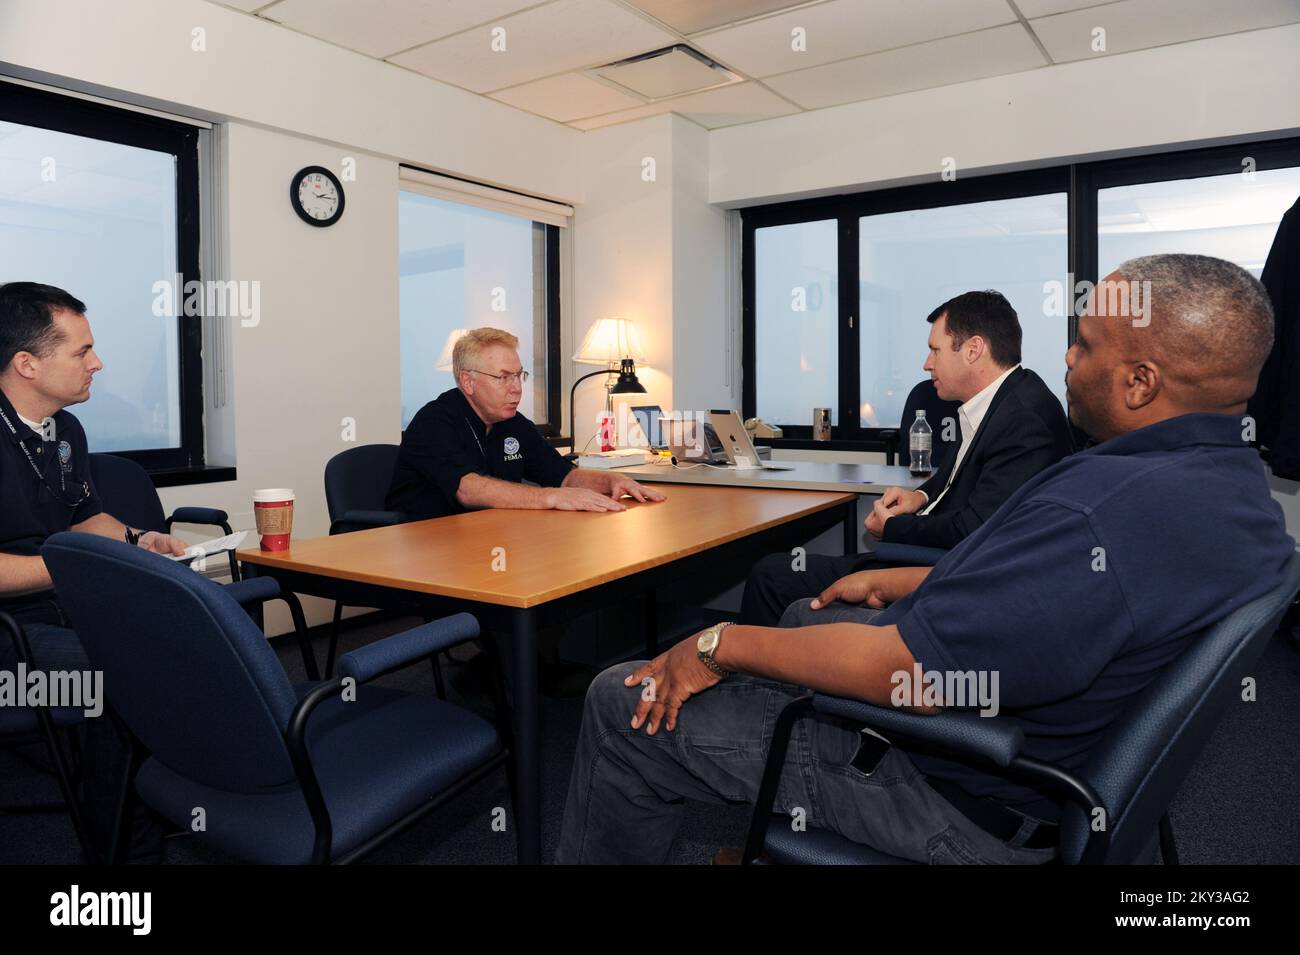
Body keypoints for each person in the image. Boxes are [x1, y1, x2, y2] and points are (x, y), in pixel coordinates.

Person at [555, 254, 1293, 864]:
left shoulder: (1100, 509)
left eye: (1087, 344)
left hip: (951, 786)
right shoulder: (1235, 491)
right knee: (803, 605)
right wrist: (912, 575)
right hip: (1032, 760)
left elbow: (912, 676)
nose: (1068, 356)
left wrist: (716, 644)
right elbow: (1057, 591)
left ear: (1140, 381)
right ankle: (764, 828)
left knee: (623, 698)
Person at [741, 290, 1074, 627]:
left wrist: (893, 527)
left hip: (945, 569)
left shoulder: (1023, 419)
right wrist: (920, 496)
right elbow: (955, 478)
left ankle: (754, 676)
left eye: (935, 350)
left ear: (973, 350)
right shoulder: (1003, 400)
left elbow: (973, 530)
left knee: (771, 575)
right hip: (940, 559)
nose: (926, 363)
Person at [0, 282, 190, 862]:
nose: (98, 363)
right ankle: (122, 854)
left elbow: (84, 517)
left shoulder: (65, 432)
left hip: (60, 604)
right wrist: (76, 571)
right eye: (82, 352)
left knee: (193, 629)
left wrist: (140, 539)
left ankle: (187, 793)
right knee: (130, 668)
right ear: (27, 363)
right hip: (9, 631)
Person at [387, 326, 664, 518]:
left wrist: (612, 480)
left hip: (488, 537)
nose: (516, 387)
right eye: (503, 377)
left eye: (519, 375)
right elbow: (467, 489)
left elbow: (563, 475)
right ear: (468, 381)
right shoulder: (434, 422)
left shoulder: (511, 421)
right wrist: (550, 498)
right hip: (427, 548)